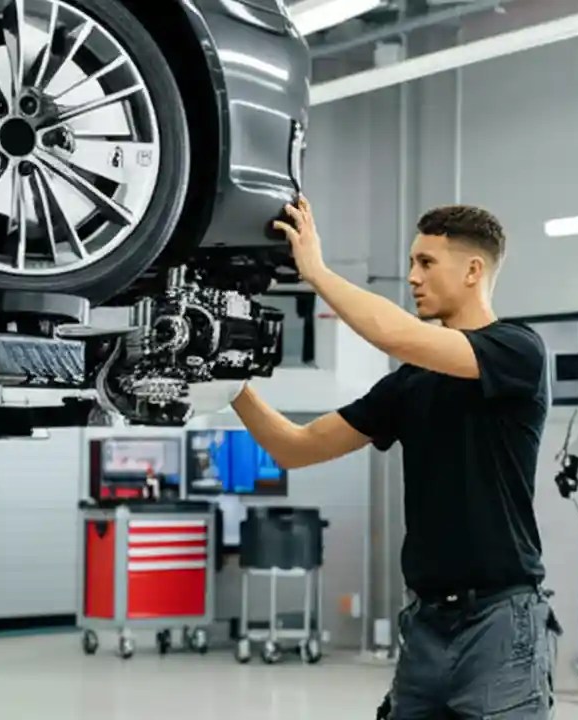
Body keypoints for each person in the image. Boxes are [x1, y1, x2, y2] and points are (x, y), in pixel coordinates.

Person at [231, 196, 558, 719]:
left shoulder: (517, 351)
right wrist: (230, 385)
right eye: (411, 262)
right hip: (425, 627)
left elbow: (395, 334)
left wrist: (315, 270)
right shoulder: (410, 383)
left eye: (426, 262)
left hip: (499, 623)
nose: (412, 277)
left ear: (474, 270)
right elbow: (295, 447)